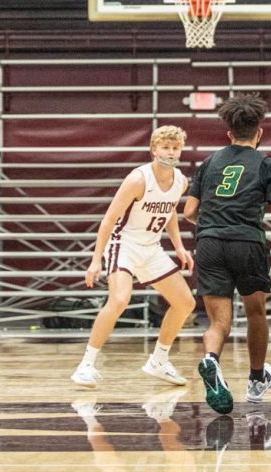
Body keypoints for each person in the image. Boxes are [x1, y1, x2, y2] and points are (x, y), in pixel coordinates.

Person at [182, 93, 271, 413]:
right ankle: (257, 380)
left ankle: (211, 359)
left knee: (218, 322)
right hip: (247, 243)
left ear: (229, 133)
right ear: (259, 132)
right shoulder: (267, 165)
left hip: (209, 243)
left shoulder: (209, 163)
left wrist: (216, 222)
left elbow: (189, 212)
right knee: (256, 313)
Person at [72, 125, 197, 388]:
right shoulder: (138, 179)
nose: (171, 152)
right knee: (119, 299)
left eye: (175, 148)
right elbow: (108, 220)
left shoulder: (181, 181)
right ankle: (86, 364)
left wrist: (178, 246)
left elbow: (170, 212)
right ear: (154, 150)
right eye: (165, 147)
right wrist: (95, 260)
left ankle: (158, 361)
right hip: (124, 244)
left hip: (151, 248)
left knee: (185, 303)